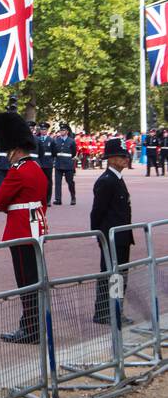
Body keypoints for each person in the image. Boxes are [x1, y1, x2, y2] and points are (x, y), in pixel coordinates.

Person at [0, 111, 49, 344]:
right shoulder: (36, 168)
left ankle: (30, 329)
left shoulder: (18, 171)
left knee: (26, 284)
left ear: (14, 149)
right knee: (35, 282)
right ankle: (34, 326)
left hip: (21, 232)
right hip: (37, 229)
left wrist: (9, 208)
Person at [91, 137, 134, 325]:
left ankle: (113, 310)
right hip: (112, 236)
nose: (126, 159)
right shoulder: (106, 181)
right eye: (122, 156)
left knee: (119, 276)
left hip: (122, 236)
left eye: (126, 155)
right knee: (112, 275)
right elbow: (97, 212)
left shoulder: (116, 179)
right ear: (111, 159)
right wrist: (99, 235)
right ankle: (107, 312)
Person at [53, 123, 78, 206]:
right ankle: (58, 199)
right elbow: (54, 151)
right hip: (58, 163)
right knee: (57, 183)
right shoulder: (56, 140)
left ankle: (73, 197)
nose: (61, 132)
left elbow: (74, 152)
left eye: (63, 130)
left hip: (68, 164)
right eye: (60, 130)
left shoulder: (71, 141)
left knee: (70, 182)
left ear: (67, 131)